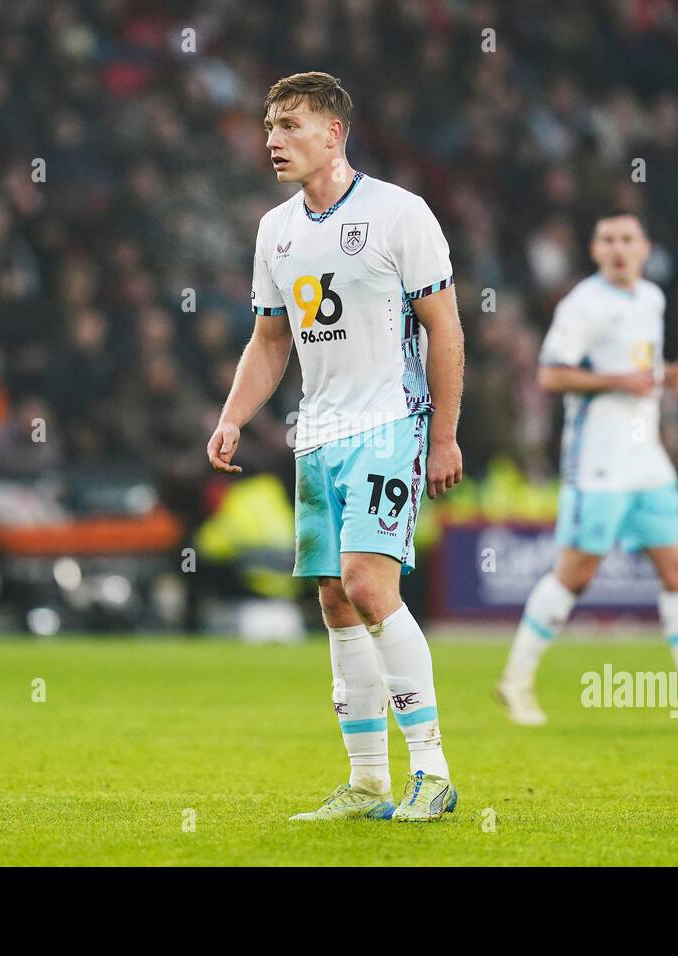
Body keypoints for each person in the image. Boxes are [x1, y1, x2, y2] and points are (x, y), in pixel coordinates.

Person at [206, 72, 465, 821]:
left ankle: (435, 772)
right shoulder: (275, 229)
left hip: (391, 423)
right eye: (268, 127)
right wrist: (231, 416)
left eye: (288, 125)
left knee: (368, 583)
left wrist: (443, 433)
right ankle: (367, 783)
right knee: (335, 601)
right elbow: (269, 339)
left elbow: (445, 328)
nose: (272, 140)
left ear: (333, 133)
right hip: (316, 433)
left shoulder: (399, 214)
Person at [496, 211, 678, 726]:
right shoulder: (584, 304)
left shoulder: (652, 299)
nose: (618, 249)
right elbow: (551, 374)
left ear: (644, 249)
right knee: (576, 575)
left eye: (628, 240)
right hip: (597, 461)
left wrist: (670, 380)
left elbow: (642, 371)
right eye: (608, 240)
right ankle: (516, 680)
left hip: (647, 459)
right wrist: (619, 382)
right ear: (595, 251)